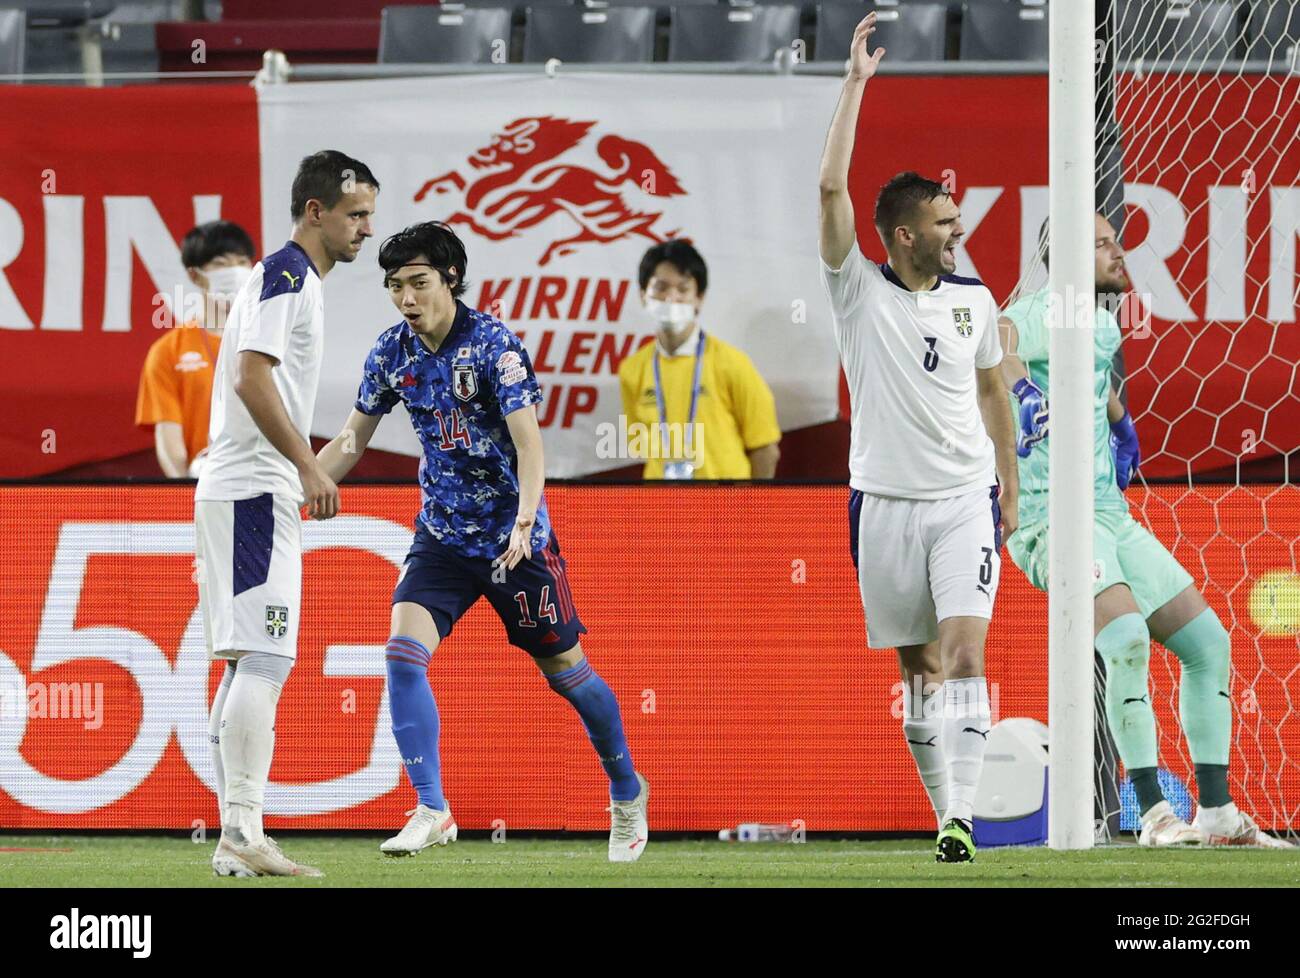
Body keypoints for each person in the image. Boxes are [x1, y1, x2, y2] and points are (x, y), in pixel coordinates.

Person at [316, 221, 650, 863]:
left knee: (568, 674)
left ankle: (627, 792)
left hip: (513, 543)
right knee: (402, 653)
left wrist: (526, 521)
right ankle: (432, 807)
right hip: (441, 537)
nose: (406, 298)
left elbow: (529, 444)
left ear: (449, 279)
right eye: (394, 286)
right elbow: (353, 440)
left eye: (418, 283)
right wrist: (299, 487)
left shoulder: (494, 345)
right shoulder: (392, 353)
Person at [1000, 212, 1292, 848]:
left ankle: (1215, 815)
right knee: (1127, 638)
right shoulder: (1032, 311)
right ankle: (1155, 815)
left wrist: (1117, 418)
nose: (1118, 250)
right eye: (1101, 242)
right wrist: (1020, 387)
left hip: (1109, 512)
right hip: (1053, 518)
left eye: (1115, 239)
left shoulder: (1101, 321)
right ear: (1069, 253)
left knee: (1209, 642)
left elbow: (1092, 381)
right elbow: (999, 348)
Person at [819, 13, 1020, 863]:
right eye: (943, 222)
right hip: (883, 507)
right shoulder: (856, 292)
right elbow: (831, 195)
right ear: (903, 234)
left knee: (966, 654)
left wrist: (1009, 482)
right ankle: (943, 809)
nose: (957, 229)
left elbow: (991, 389)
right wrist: (857, 84)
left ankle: (964, 817)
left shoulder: (976, 299)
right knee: (918, 674)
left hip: (964, 499)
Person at [195, 150, 380, 877]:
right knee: (266, 658)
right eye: (356, 213)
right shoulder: (286, 275)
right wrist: (306, 466)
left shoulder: (293, 280)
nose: (366, 228)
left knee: (250, 659)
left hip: (244, 488)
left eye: (370, 213)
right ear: (316, 211)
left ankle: (234, 838)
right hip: (251, 490)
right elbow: (250, 377)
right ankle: (243, 828)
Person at [618, 239, 781, 479]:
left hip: (725, 508)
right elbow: (639, 445)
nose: (671, 298)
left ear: (699, 298)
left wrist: (750, 512)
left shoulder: (732, 363)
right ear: (643, 295)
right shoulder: (631, 370)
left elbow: (765, 450)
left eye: (683, 289)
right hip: (660, 508)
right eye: (661, 288)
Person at [135, 221, 255, 478]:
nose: (234, 273)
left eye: (242, 262)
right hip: (203, 484)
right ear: (194, 274)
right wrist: (184, 490)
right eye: (221, 264)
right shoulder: (168, 351)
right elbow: (170, 440)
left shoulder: (269, 342)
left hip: (264, 482)